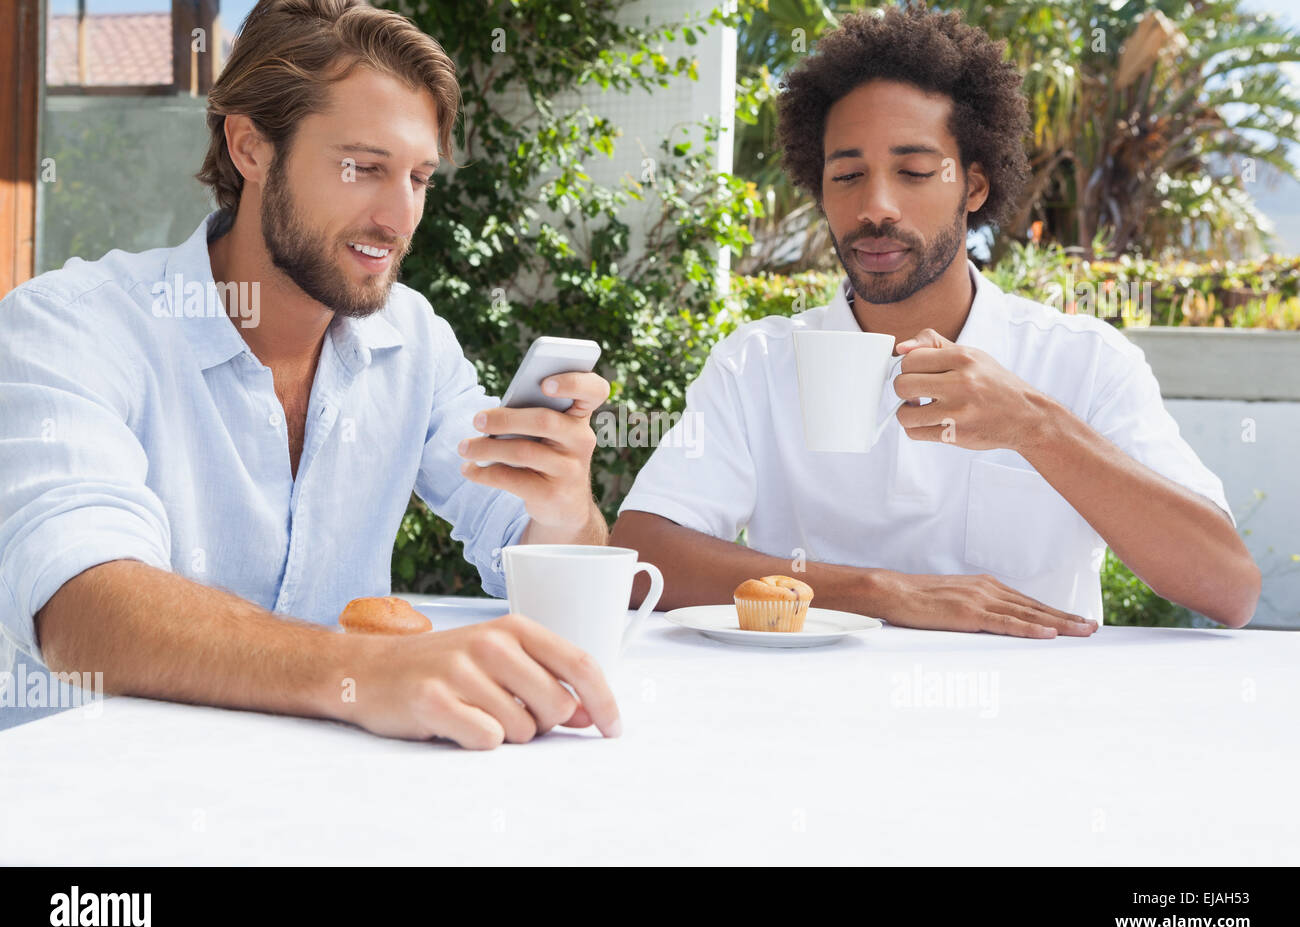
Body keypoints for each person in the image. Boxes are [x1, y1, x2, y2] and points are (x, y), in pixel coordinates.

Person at [0, 0, 620, 748]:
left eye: (419, 178)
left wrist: (559, 504)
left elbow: (530, 541)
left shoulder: (412, 339)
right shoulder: (71, 326)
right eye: (364, 168)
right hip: (91, 810)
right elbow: (83, 608)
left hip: (317, 810)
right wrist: (367, 674)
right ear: (250, 147)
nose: (399, 218)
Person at [610, 3, 1260, 636]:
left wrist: (1037, 428)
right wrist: (881, 593)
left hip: (1037, 719)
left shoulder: (1081, 360)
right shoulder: (757, 362)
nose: (876, 206)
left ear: (973, 186)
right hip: (807, 716)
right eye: (847, 176)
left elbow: (1227, 589)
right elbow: (642, 556)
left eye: (915, 171)